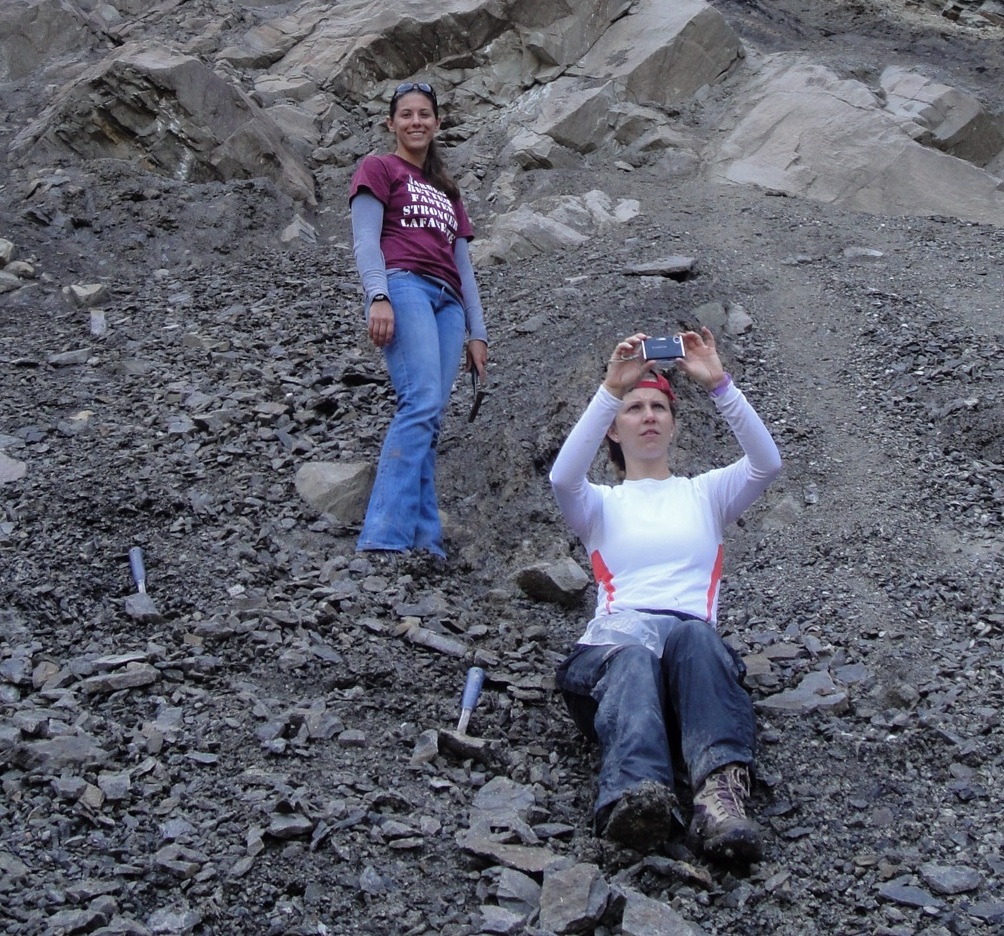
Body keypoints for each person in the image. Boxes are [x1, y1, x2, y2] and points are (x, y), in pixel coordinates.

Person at [549, 328, 782, 862]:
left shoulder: (706, 493)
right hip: (610, 669)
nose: (648, 414)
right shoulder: (599, 504)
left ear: (674, 424)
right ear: (612, 430)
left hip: (689, 678)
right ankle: (635, 798)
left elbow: (766, 465)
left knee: (698, 637)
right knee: (631, 658)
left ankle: (720, 801)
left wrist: (719, 383)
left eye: (659, 406)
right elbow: (563, 479)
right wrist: (611, 388)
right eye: (634, 409)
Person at [349, 81, 489, 558]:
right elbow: (366, 241)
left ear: (437, 123)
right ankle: (384, 536)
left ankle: (426, 540)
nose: (415, 122)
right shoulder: (379, 167)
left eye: (424, 114)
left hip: (449, 303)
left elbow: (465, 268)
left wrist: (479, 333)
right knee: (422, 401)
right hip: (404, 284)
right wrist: (378, 297)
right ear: (392, 124)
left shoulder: (448, 190)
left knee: (431, 414)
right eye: (406, 114)